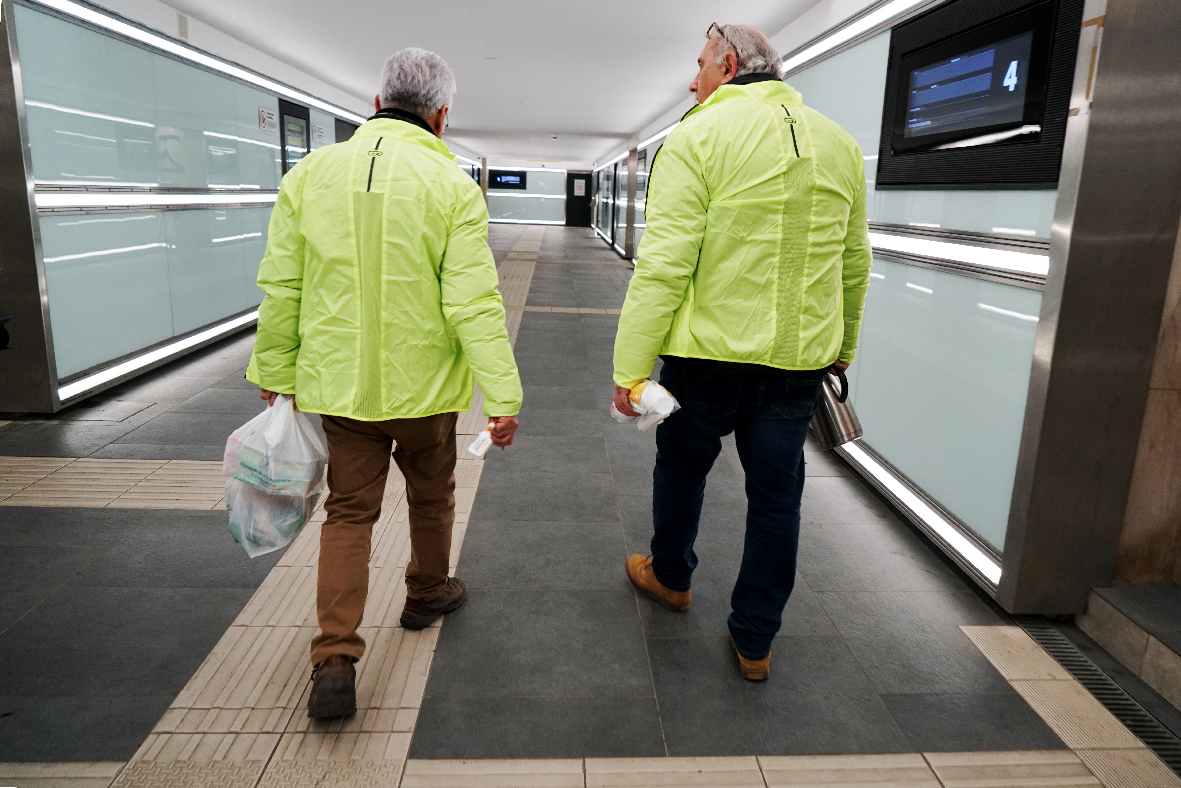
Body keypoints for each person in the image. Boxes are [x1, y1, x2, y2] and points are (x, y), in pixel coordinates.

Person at [246, 48, 522, 718]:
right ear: (441, 116)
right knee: (431, 497)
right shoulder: (452, 186)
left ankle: (335, 654)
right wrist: (502, 397)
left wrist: (274, 368)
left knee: (348, 513)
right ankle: (426, 594)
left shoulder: (310, 174)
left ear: (376, 103)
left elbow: (283, 285)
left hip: (337, 390)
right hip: (424, 390)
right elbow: (473, 302)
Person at [612, 23, 871, 681]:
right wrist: (841, 345)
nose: (691, 78)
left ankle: (670, 577)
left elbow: (665, 263)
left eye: (699, 65)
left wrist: (630, 368)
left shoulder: (696, 137)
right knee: (777, 497)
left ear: (727, 66)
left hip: (705, 360)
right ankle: (754, 640)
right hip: (796, 366)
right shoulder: (838, 145)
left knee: (680, 466)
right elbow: (853, 258)